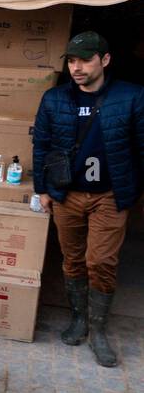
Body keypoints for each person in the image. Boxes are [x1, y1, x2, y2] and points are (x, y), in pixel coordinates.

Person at [32, 32, 144, 368]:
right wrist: (43, 189)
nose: (77, 67)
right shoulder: (54, 99)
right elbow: (42, 146)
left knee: (101, 262)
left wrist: (131, 190)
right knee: (73, 259)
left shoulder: (132, 97)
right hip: (67, 194)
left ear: (105, 60)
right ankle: (79, 319)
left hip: (110, 196)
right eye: (71, 60)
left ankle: (98, 330)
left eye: (85, 60)